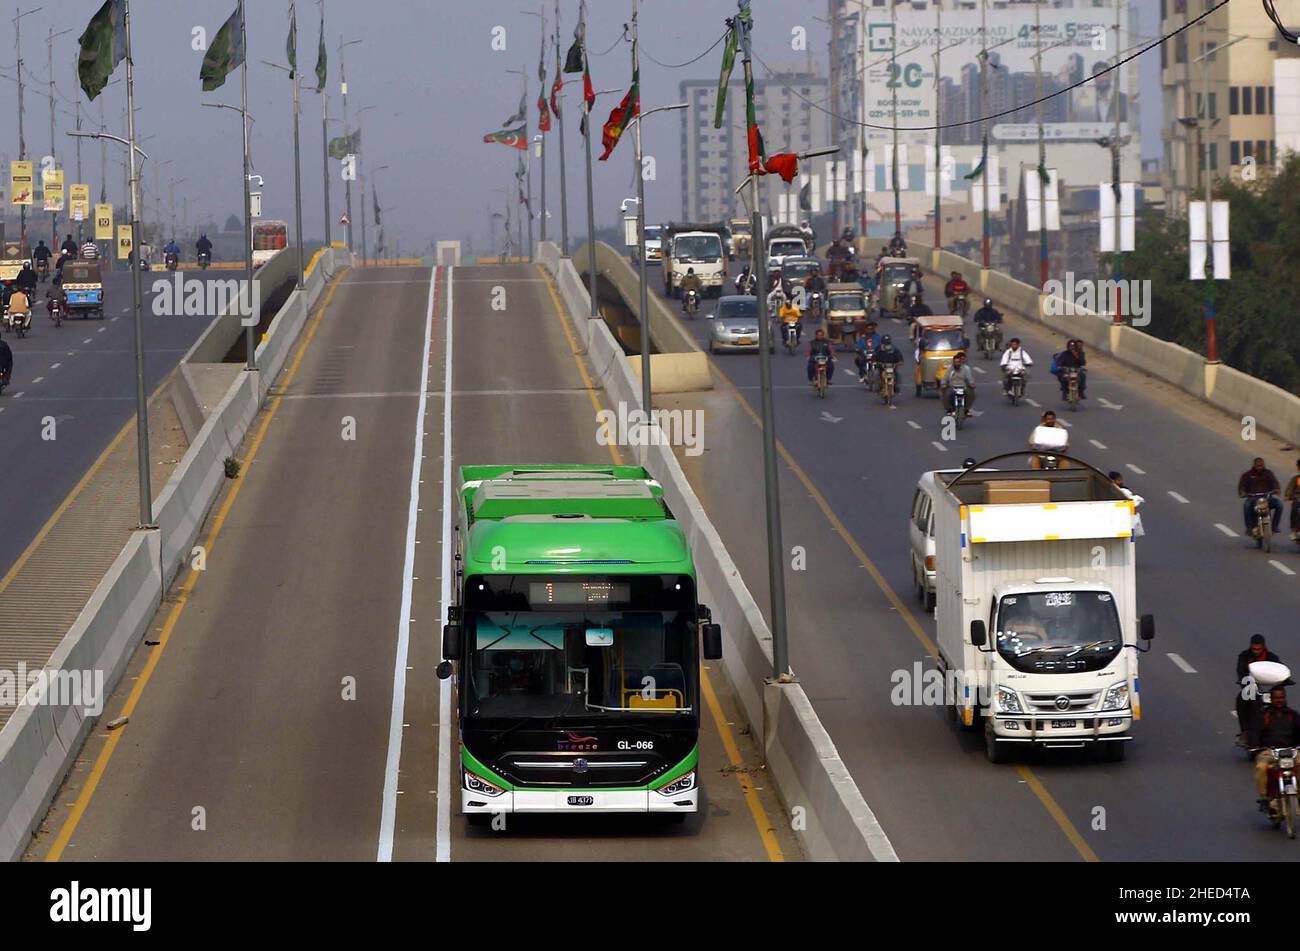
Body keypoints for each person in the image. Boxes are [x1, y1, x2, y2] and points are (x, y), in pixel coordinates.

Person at [1248, 687, 1300, 814]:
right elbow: (1255, 733)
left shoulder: (1293, 715)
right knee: (1261, 767)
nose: (1279, 701)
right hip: (1269, 752)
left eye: (1281, 697)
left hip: (1290, 751)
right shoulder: (1263, 715)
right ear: (1271, 699)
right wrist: (1255, 747)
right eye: (1276, 698)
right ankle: (1264, 798)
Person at [1237, 635, 1284, 741]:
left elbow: (1280, 668)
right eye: (1254, 649)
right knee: (1241, 700)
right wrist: (1243, 681)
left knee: (1281, 700)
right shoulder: (1244, 656)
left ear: (1263, 647)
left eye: (1259, 649)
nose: (1256, 651)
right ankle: (1245, 731)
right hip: (1252, 688)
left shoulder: (1272, 657)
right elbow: (1241, 671)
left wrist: (1286, 679)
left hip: (1269, 689)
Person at [1238, 457, 1283, 536]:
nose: (1260, 467)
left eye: (1261, 465)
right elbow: (1242, 485)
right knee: (1246, 506)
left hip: (1267, 498)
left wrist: (1276, 489)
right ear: (1254, 465)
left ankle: (1275, 525)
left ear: (1263, 465)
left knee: (1279, 505)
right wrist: (1243, 492)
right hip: (1253, 498)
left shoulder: (1268, 473)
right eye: (1258, 466)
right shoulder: (1248, 474)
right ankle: (1249, 528)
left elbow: (1274, 482)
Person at [1109, 470, 1145, 538]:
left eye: (1121, 480)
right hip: (1124, 522)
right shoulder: (1119, 491)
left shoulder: (1125, 490)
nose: (1121, 482)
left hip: (1128, 523)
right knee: (1131, 539)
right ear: (1113, 481)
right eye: (1119, 480)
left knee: (1131, 539)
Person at [939, 350, 977, 415]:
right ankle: (949, 409)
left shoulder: (966, 369)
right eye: (955, 362)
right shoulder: (949, 369)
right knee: (945, 394)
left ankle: (967, 409)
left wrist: (972, 384)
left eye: (958, 362)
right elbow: (944, 379)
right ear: (953, 362)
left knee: (971, 394)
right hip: (952, 387)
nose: (957, 364)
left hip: (963, 387)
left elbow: (970, 379)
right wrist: (943, 385)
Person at [1284, 459, 1300, 542]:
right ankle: (1294, 531)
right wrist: (1287, 496)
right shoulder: (1296, 478)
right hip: (1298, 498)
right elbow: (1290, 488)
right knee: (1294, 510)